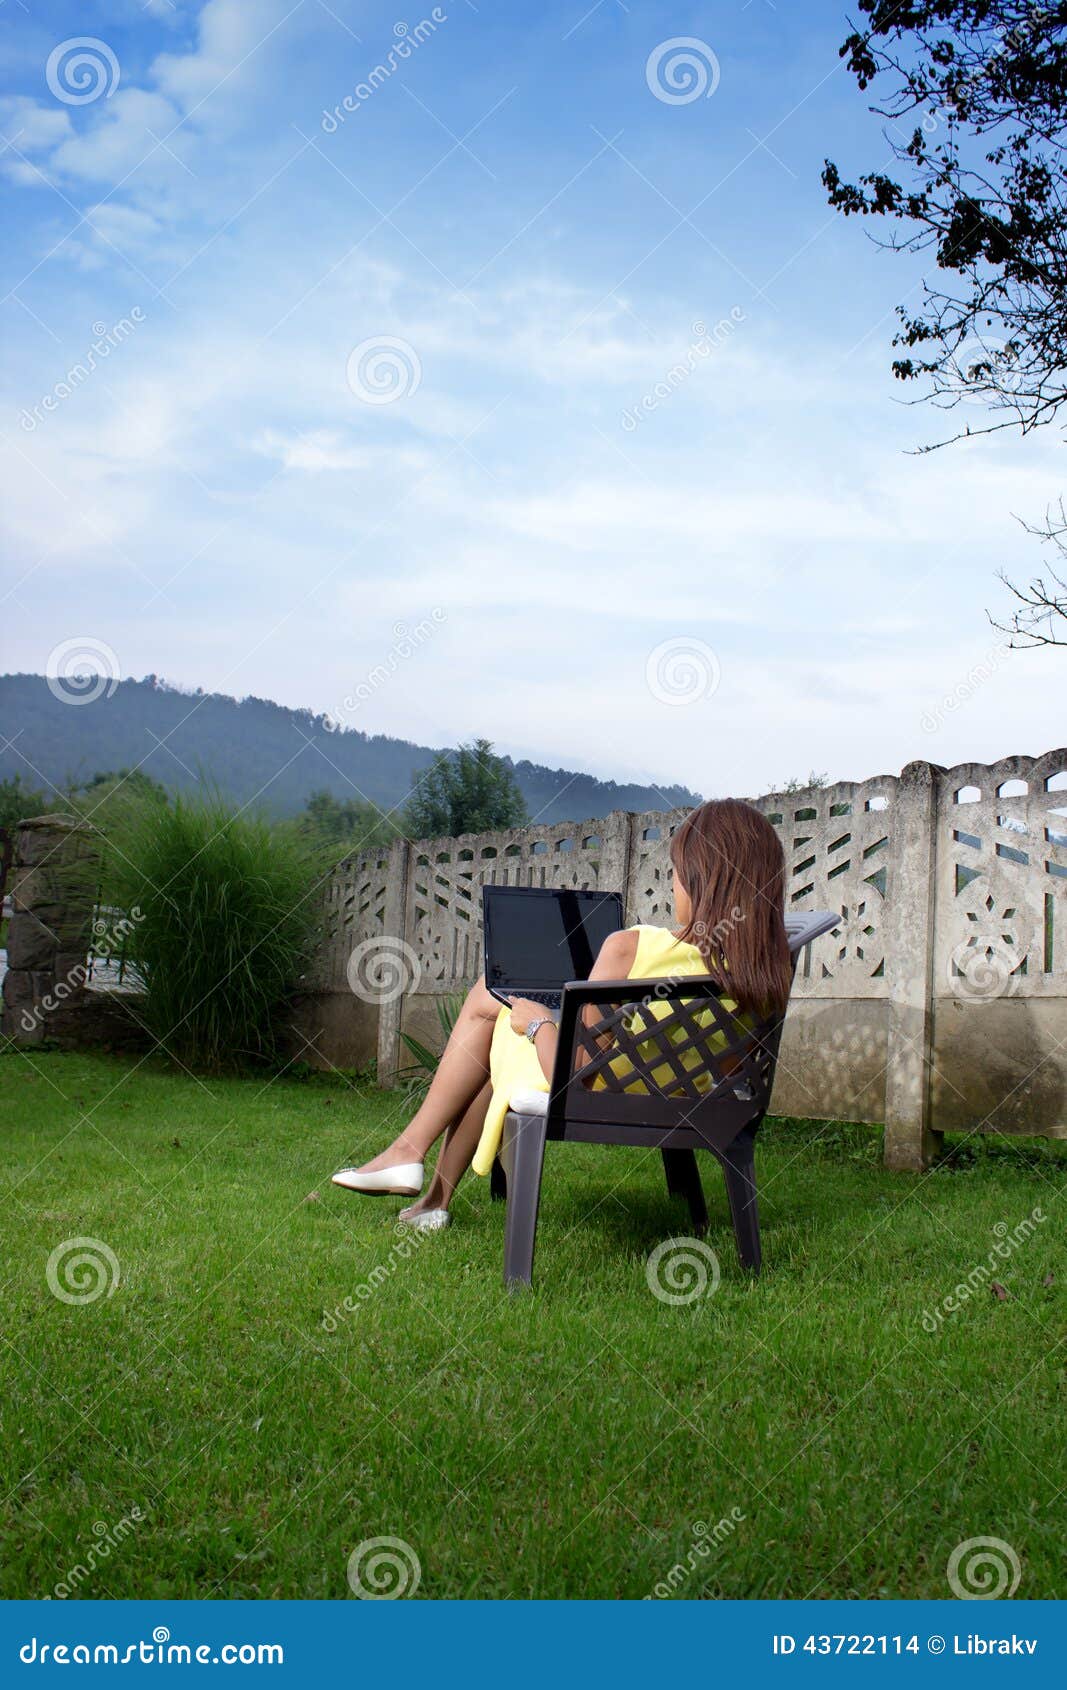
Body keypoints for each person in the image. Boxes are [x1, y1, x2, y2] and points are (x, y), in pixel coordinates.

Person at [331, 798, 792, 1230]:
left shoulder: (631, 947)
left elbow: (573, 1078)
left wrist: (538, 1023)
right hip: (695, 1098)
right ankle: (425, 1189)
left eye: (675, 871)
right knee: (497, 1016)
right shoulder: (766, 973)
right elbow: (729, 1066)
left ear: (700, 876)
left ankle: (417, 1166)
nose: (673, 882)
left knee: (494, 1014)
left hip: (600, 1092)